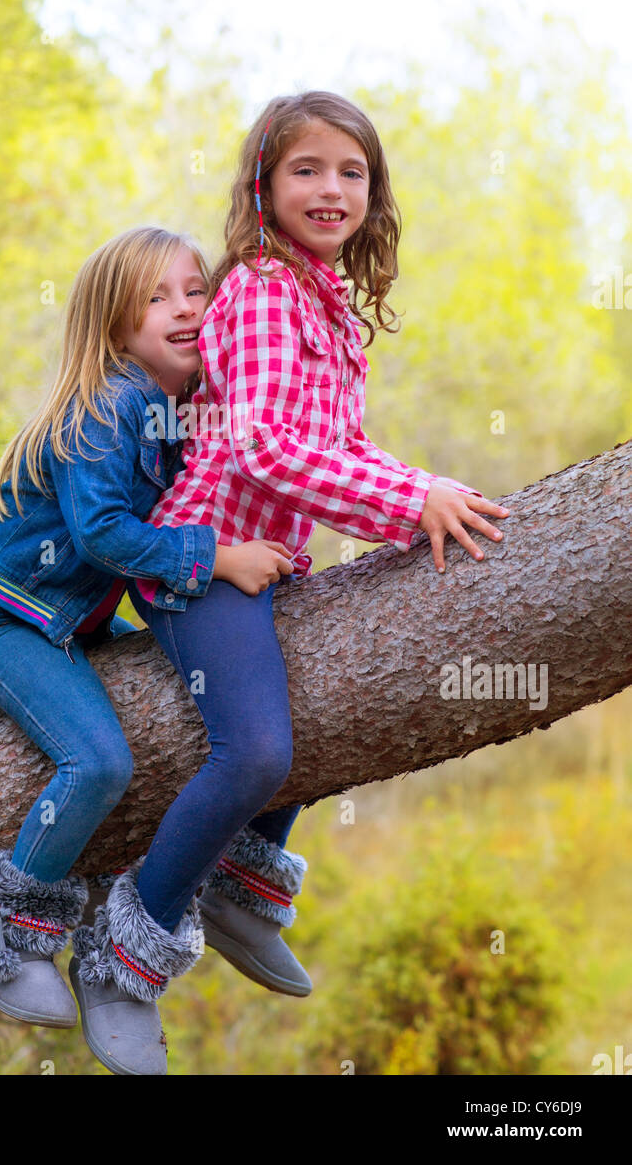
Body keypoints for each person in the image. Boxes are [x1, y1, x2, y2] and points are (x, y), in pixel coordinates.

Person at [82, 90, 511, 1065]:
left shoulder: (324, 301)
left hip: (270, 561)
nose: (329, 188)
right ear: (263, 186)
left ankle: (241, 889)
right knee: (253, 754)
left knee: (323, 712)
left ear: (372, 188)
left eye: (349, 171)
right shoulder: (262, 289)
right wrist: (411, 503)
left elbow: (338, 447)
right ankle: (123, 955)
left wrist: (420, 490)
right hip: (206, 556)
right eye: (305, 169)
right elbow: (270, 448)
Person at [0, 226, 293, 1074]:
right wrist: (219, 557)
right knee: (98, 763)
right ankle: (12, 935)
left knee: (246, 709)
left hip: (81, 627)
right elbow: (103, 535)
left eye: (194, 290)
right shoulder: (108, 405)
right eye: (156, 298)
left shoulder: (181, 407)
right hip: (4, 623)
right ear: (113, 326)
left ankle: (233, 883)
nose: (183, 310)